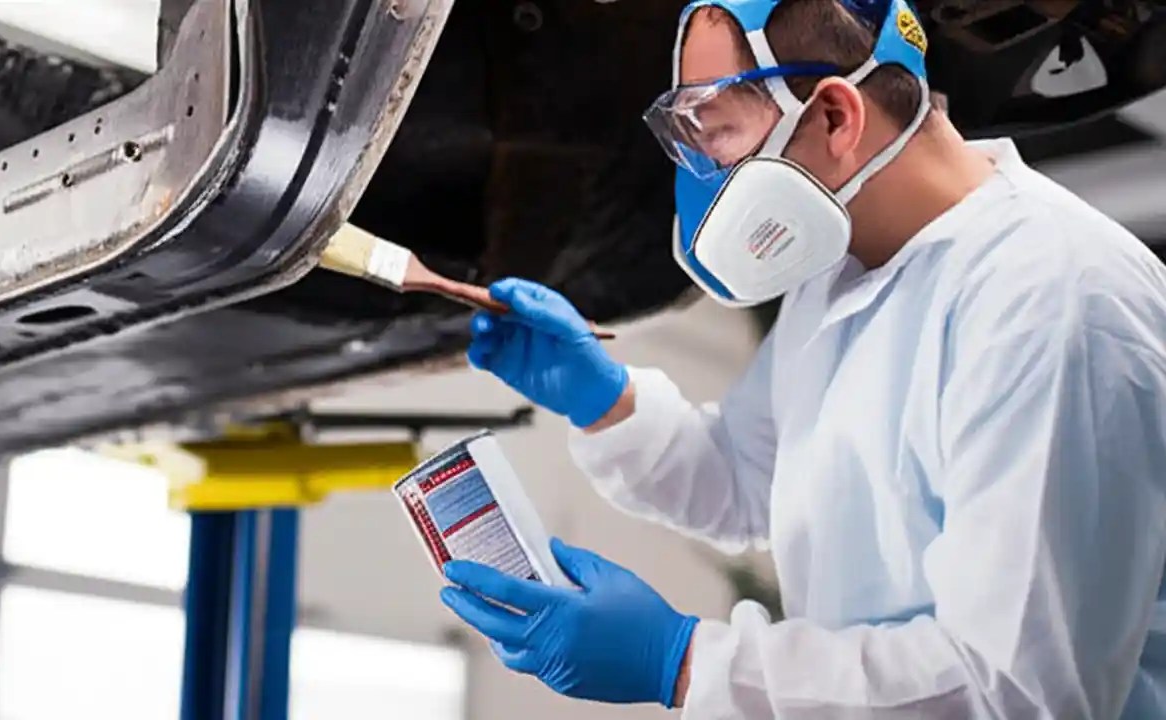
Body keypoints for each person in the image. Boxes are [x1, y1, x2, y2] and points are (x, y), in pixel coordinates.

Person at [438, 0, 1166, 717]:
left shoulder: (1052, 296)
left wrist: (687, 663)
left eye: (715, 133)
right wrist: (607, 402)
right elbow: (755, 482)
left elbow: (1021, 691)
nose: (703, 172)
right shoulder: (840, 269)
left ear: (833, 117)